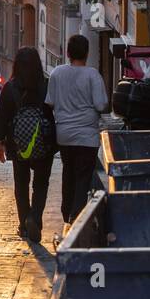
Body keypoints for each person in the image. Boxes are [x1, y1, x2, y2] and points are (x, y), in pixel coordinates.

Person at [0, 46, 56, 243]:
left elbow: (2, 116)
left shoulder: (10, 87)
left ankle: (24, 225)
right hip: (43, 144)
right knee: (41, 184)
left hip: (17, 144)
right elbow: (54, 113)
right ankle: (34, 218)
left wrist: (0, 143)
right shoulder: (46, 86)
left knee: (21, 184)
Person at [46, 34, 109, 227]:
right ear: (87, 53)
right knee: (83, 176)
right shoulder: (92, 75)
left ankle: (67, 212)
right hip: (87, 136)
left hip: (64, 135)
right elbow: (101, 104)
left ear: (67, 52)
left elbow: (49, 101)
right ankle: (77, 215)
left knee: (68, 173)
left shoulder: (57, 73)